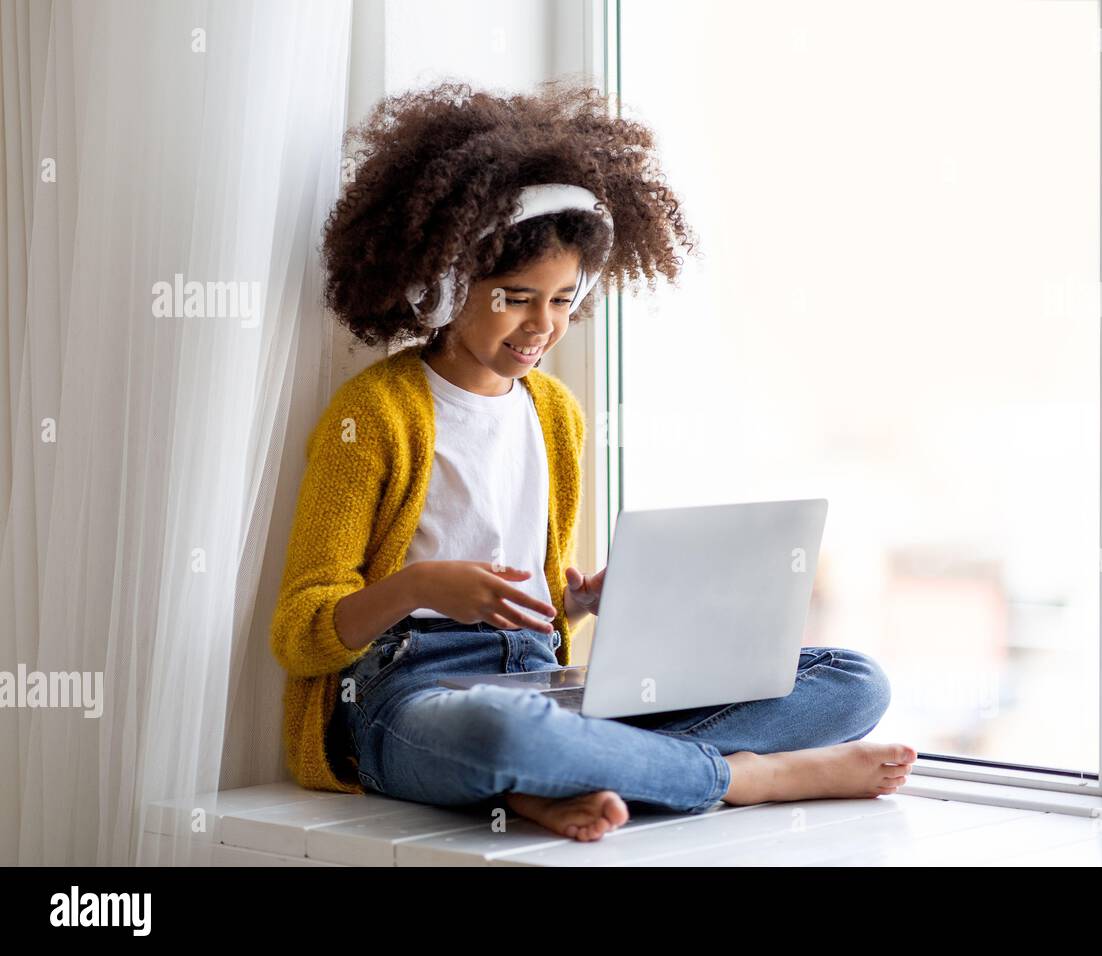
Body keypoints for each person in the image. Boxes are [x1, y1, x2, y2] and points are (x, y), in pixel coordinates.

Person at [270, 80, 916, 842]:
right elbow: (298, 631)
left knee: (851, 683)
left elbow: (541, 609)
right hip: (405, 695)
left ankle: (558, 780)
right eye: (516, 297)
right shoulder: (373, 413)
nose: (542, 325)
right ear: (444, 281)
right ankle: (740, 778)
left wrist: (582, 602)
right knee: (498, 737)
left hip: (542, 682)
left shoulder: (554, 414)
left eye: (563, 300)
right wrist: (420, 586)